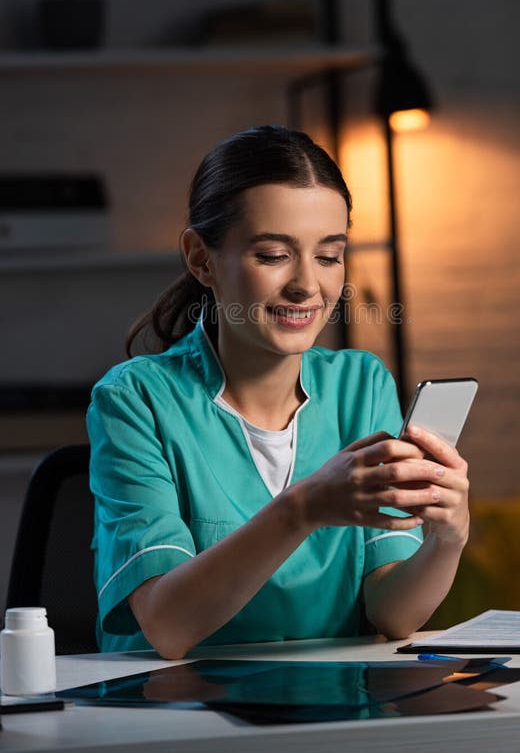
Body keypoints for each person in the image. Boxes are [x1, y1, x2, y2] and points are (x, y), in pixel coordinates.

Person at [87, 125, 469, 660]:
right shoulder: (135, 401)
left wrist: (447, 539)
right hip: (175, 714)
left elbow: (393, 614)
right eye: (272, 255)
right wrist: (303, 508)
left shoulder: (361, 384)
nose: (307, 286)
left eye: (329, 256)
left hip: (332, 711)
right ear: (201, 258)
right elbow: (168, 627)